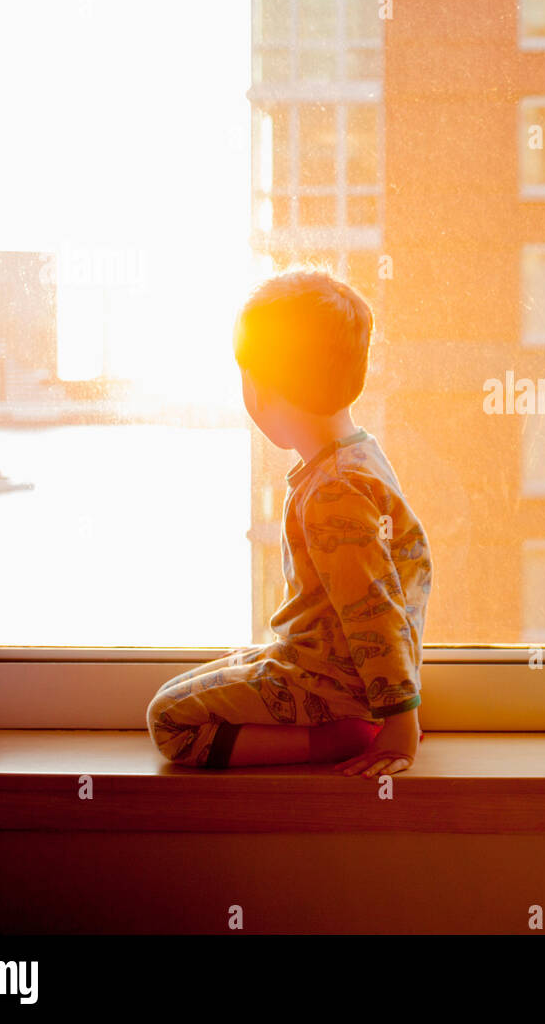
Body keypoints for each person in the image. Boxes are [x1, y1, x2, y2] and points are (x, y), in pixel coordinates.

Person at [146, 266, 430, 777]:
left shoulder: (333, 493)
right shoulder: (358, 455)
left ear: (262, 389)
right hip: (326, 666)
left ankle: (330, 739)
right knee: (223, 668)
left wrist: (400, 722)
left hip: (331, 687)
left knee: (168, 718)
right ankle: (331, 718)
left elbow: (375, 612)